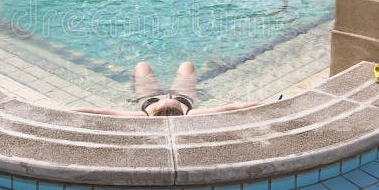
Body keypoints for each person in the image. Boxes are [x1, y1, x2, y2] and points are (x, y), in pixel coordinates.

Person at [73, 61, 259, 117]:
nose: (168, 94)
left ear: (155, 108)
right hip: (184, 95)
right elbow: (232, 108)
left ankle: (134, 89)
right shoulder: (190, 114)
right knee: (187, 65)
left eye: (166, 98)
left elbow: (103, 112)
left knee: (141, 65)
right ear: (180, 108)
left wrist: (70, 111)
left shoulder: (145, 116)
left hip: (148, 96)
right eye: (172, 99)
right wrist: (261, 103)